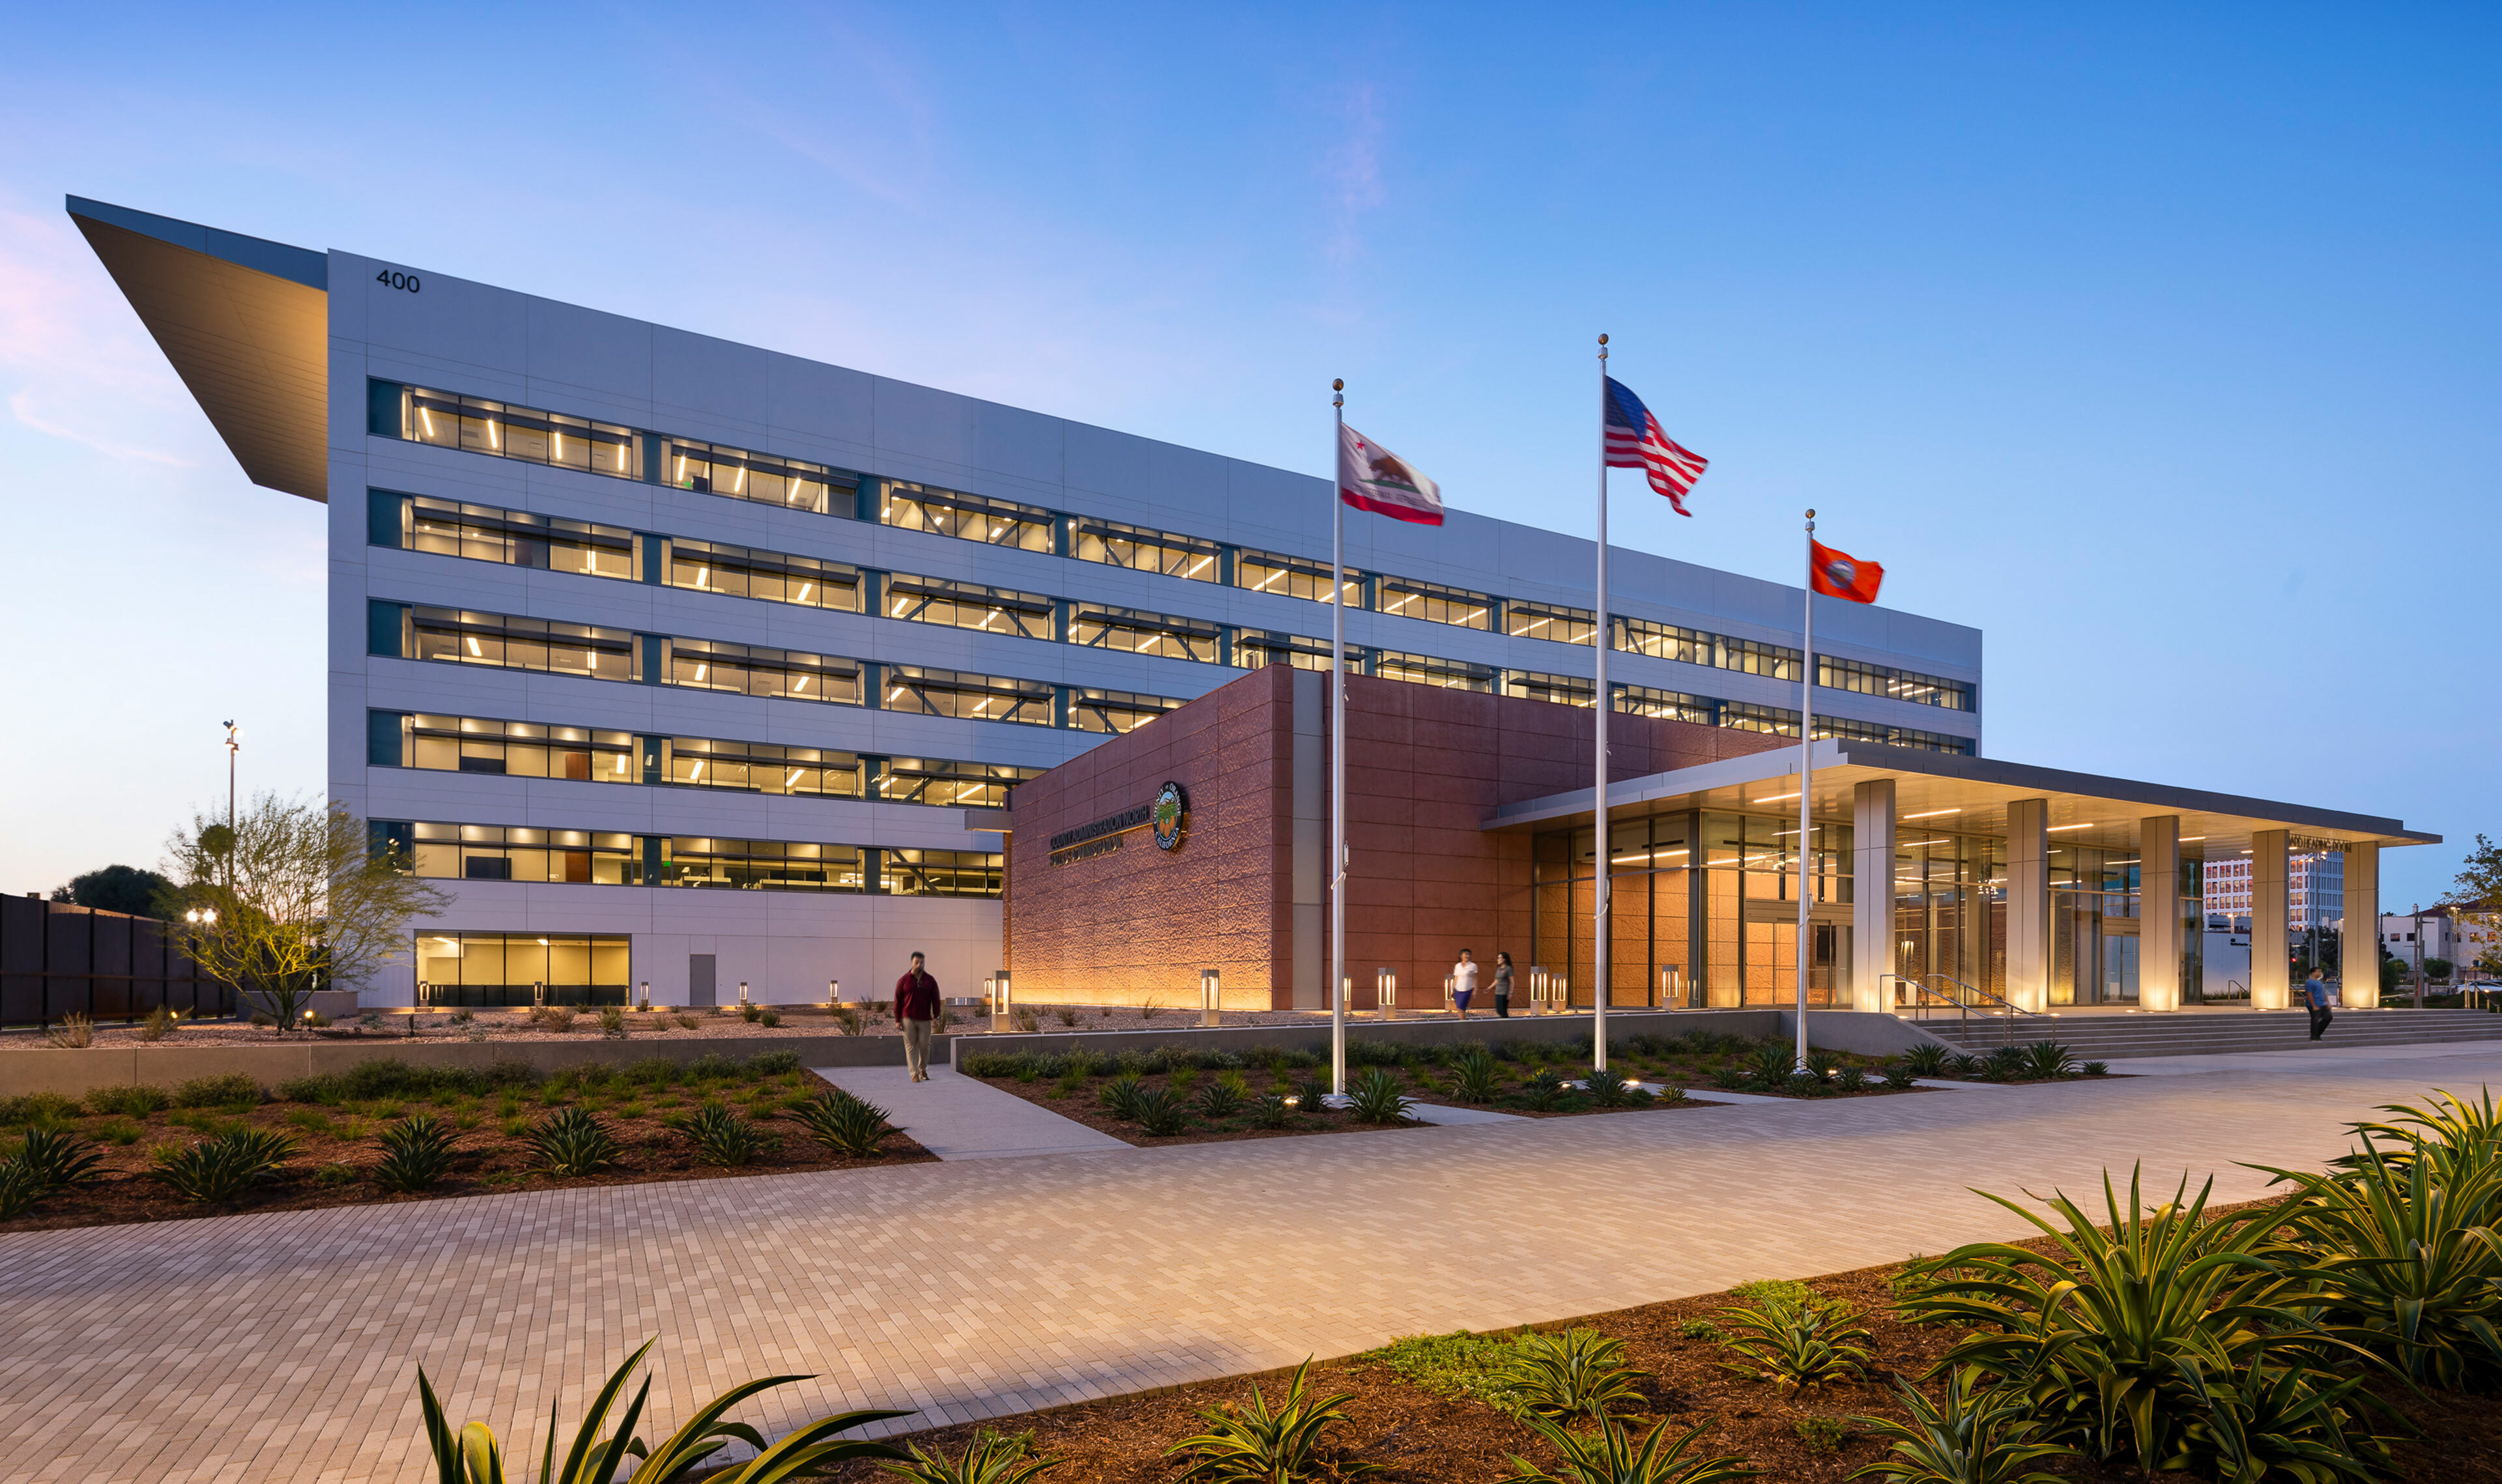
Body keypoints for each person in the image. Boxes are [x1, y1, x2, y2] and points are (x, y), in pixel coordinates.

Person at [894, 950, 941, 1080]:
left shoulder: (930, 980)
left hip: (925, 1019)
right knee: (911, 1046)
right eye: (917, 962)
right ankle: (914, 1074)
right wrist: (897, 1020)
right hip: (908, 1019)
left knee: (925, 1046)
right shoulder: (903, 981)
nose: (919, 965)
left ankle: (922, 1069)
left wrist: (936, 1016)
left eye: (922, 962)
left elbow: (936, 999)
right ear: (912, 963)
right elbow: (897, 1001)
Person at [2304, 967, 2335, 1042]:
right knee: (2315, 1020)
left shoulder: (2319, 982)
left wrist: (2328, 1002)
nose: (2320, 973)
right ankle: (2314, 1036)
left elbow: (2323, 993)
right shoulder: (2309, 982)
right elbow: (2309, 994)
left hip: (2322, 1003)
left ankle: (2317, 1034)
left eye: (2320, 972)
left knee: (2328, 1017)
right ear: (2313, 973)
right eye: (2318, 972)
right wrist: (2314, 1005)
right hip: (2314, 1004)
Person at [1452, 949, 1479, 1018]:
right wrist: (1453, 989)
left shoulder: (1473, 966)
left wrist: (1476, 989)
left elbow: (1475, 978)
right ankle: (1463, 1023)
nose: (1467, 956)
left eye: (1469, 954)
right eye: (1465, 954)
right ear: (1461, 956)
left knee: (1461, 1008)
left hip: (1467, 989)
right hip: (1458, 989)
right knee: (1460, 1009)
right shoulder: (1458, 966)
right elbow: (1456, 978)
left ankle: (1463, 1024)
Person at [1492, 951, 1514, 1019]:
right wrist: (1489, 988)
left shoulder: (1509, 969)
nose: (1498, 960)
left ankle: (1506, 1023)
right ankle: (1504, 1021)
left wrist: (1510, 993)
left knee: (1503, 1010)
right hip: (1498, 992)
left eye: (1499, 958)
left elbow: (1512, 982)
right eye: (1498, 958)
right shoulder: (1498, 969)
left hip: (1504, 992)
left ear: (1504, 959)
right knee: (1498, 1010)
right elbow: (1496, 981)